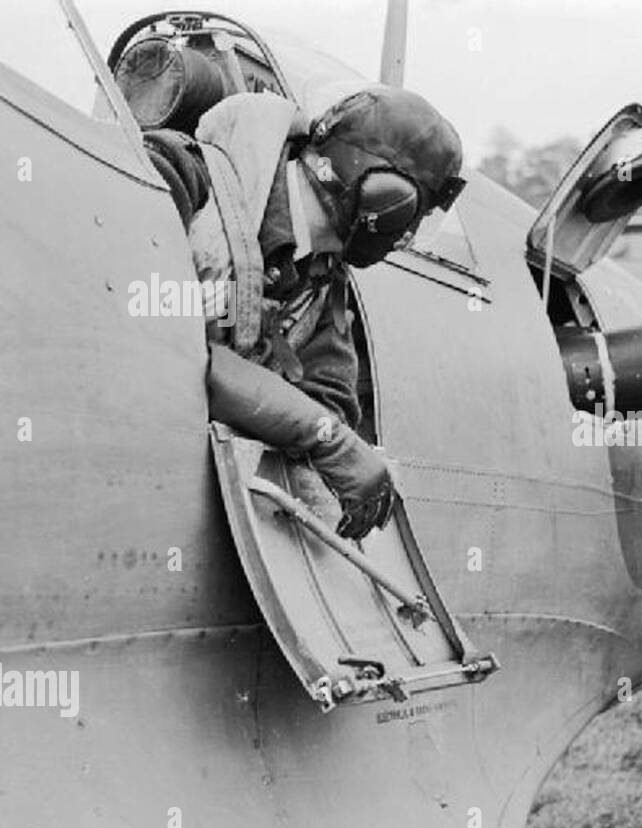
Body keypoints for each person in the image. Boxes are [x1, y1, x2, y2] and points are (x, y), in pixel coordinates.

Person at [146, 85, 465, 539]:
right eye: (415, 213)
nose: (408, 236)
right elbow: (138, 334)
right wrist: (321, 435)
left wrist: (331, 439)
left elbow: (329, 403)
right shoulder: (182, 175)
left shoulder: (320, 285)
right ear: (385, 197)